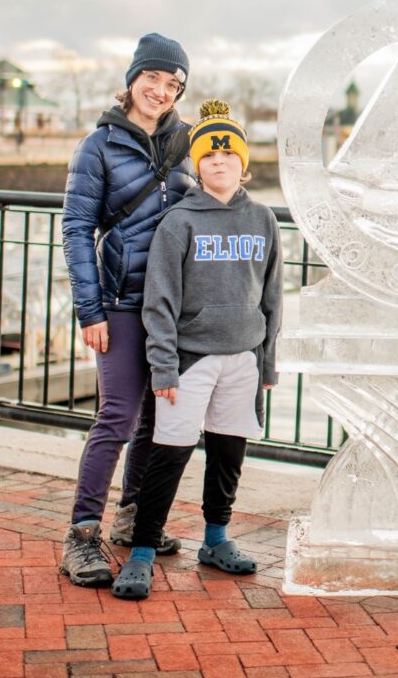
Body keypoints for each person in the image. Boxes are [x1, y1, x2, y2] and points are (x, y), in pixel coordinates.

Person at [111, 100, 282, 600]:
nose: (218, 161)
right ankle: (143, 551)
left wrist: (268, 362)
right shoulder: (179, 222)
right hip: (189, 360)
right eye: (208, 154)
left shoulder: (264, 219)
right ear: (197, 163)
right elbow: (159, 303)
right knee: (169, 456)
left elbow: (273, 298)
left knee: (228, 455)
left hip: (244, 357)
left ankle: (216, 539)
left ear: (242, 162)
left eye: (228, 154)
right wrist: (163, 366)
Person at [58, 34, 196, 587]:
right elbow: (76, 229)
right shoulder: (98, 146)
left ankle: (133, 518)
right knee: (116, 417)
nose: (161, 91)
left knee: (157, 420)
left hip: (170, 308)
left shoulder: (186, 145)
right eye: (153, 78)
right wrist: (89, 310)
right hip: (117, 303)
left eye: (173, 84)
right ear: (133, 79)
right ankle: (80, 535)